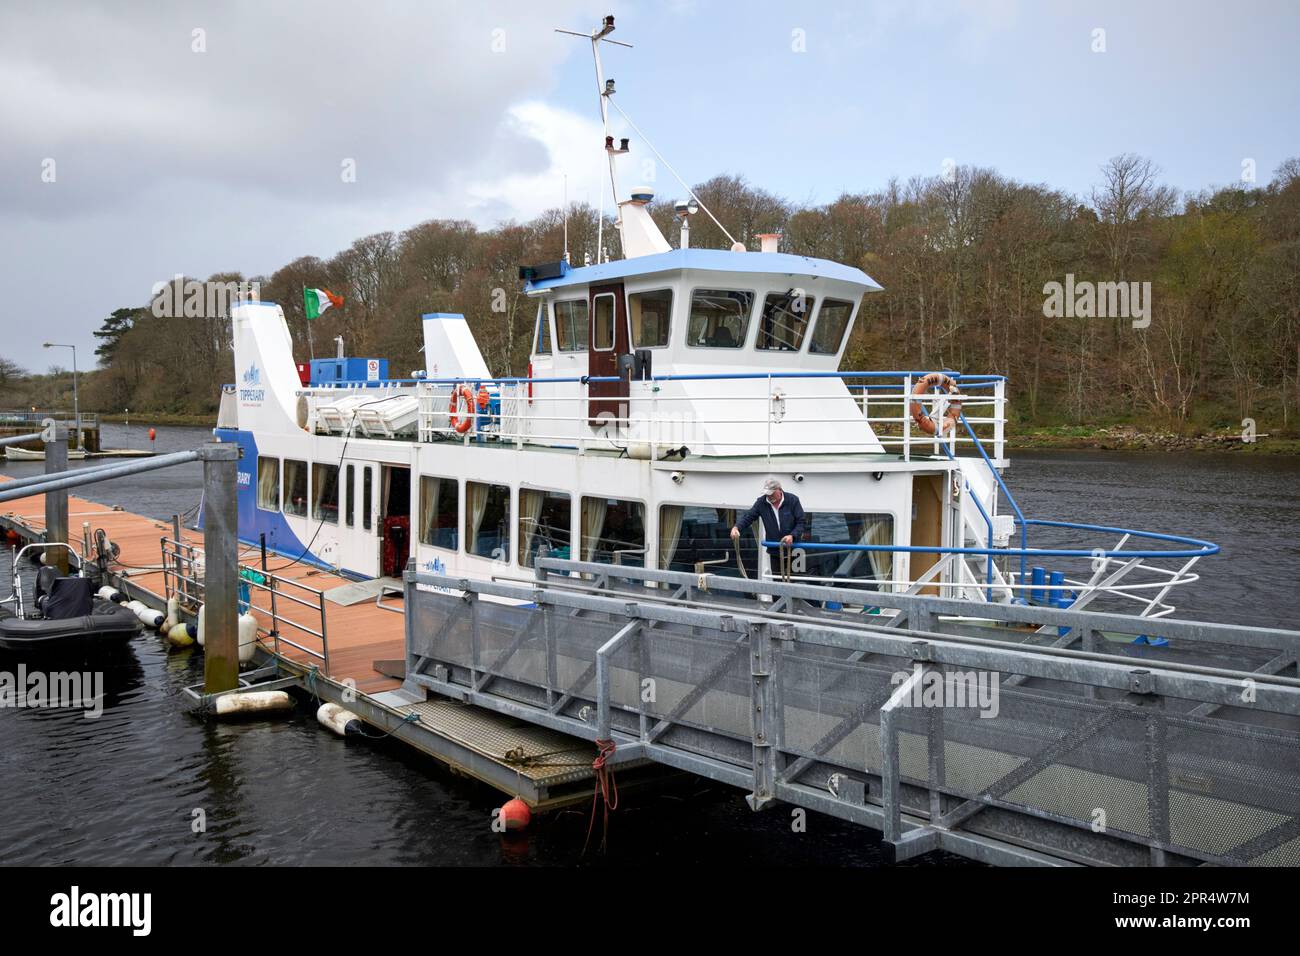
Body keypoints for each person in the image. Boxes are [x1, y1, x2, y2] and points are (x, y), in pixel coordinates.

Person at [731, 479, 805, 563]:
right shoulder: (761, 502)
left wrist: (792, 536)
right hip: (774, 550)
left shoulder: (793, 500)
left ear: (780, 490)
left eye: (772, 494)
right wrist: (736, 527)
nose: (769, 496)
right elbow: (748, 517)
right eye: (767, 494)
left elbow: (801, 522)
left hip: (796, 548)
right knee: (776, 576)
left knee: (799, 576)